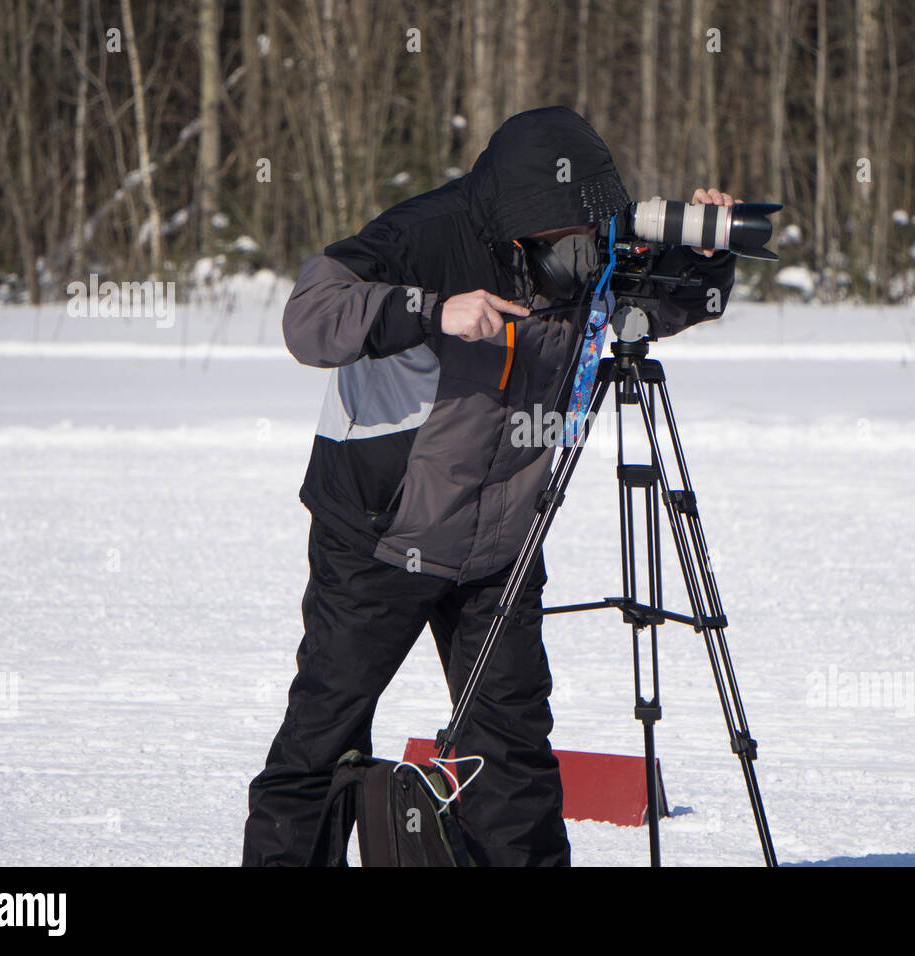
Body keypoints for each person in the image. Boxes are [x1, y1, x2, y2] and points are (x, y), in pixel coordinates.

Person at [242, 106, 738, 866]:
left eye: (584, 236)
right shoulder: (426, 234)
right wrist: (434, 310)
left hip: (502, 542)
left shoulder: (586, 247)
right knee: (325, 737)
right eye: (558, 241)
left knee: (509, 749)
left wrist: (707, 256)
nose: (576, 255)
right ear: (518, 224)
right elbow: (310, 318)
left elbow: (655, 307)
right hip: (382, 534)